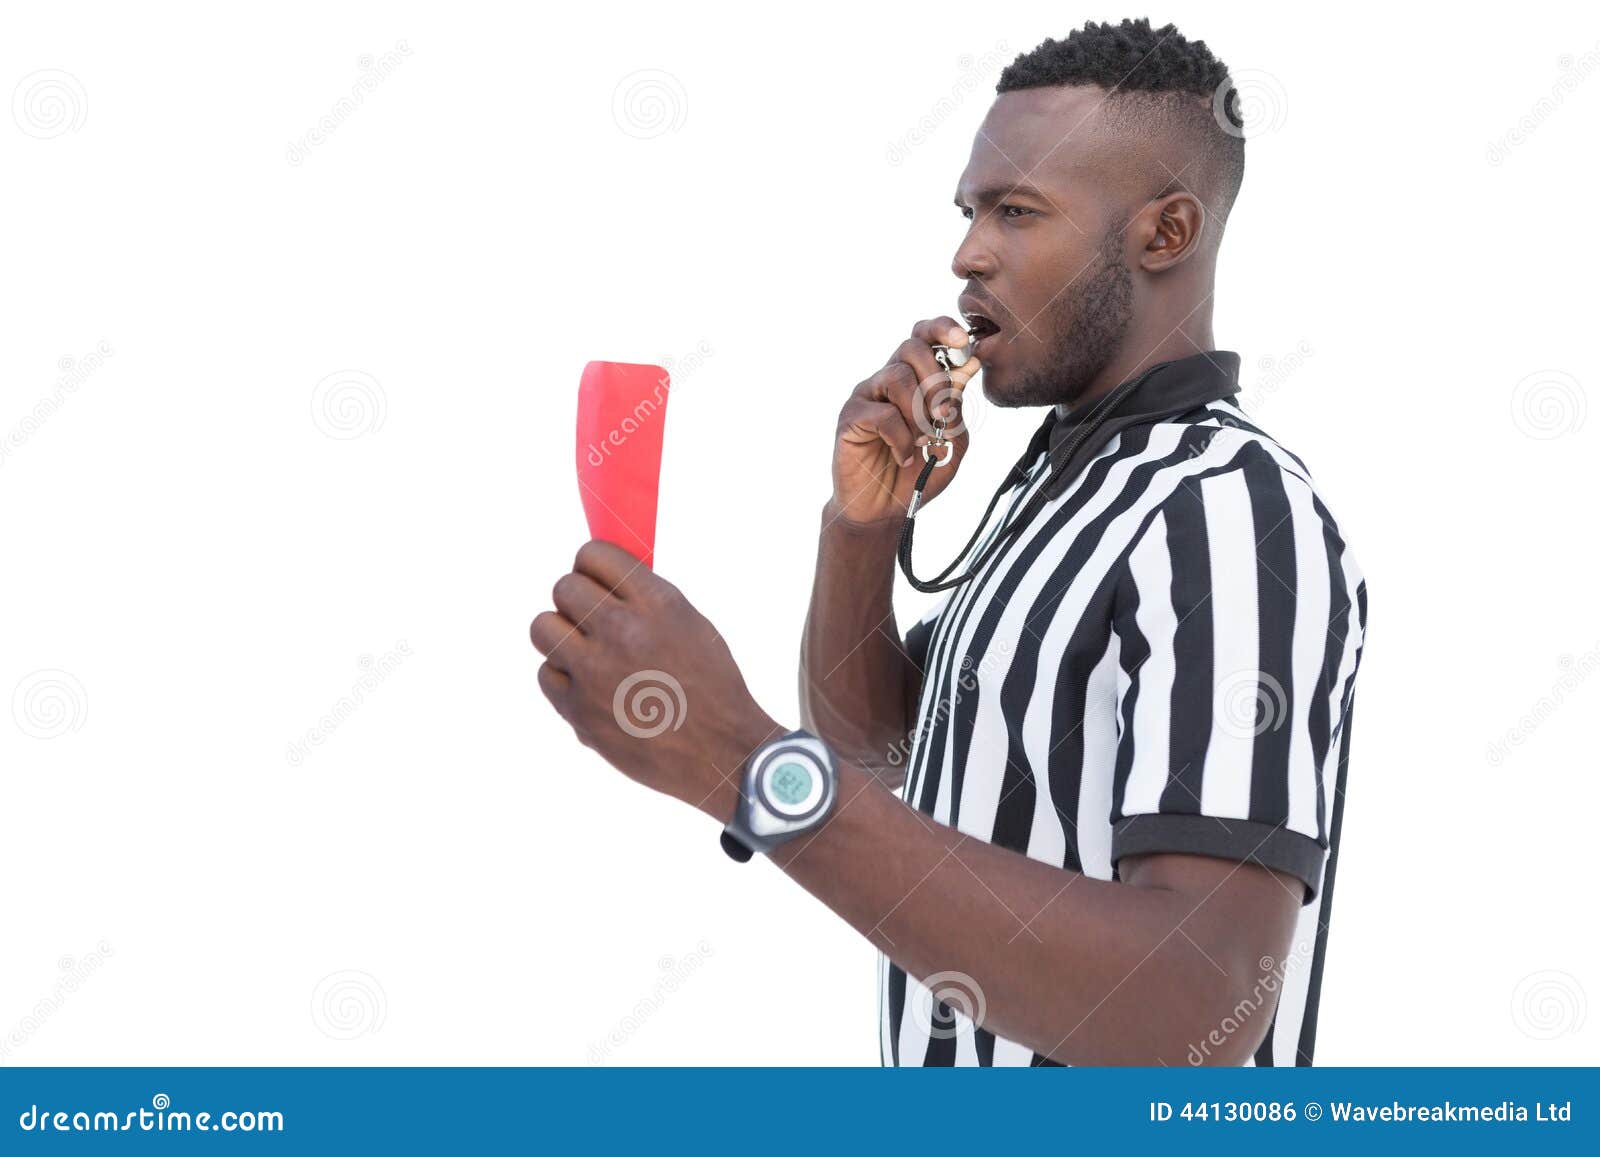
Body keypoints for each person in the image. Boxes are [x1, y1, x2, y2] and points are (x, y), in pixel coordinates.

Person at [531, 17, 1368, 1066]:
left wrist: (741, 759)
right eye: (972, 211)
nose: (967, 252)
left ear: (1165, 234)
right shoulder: (1059, 486)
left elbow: (1200, 1002)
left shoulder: (1227, 506)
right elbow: (881, 765)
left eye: (1017, 211)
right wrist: (862, 527)